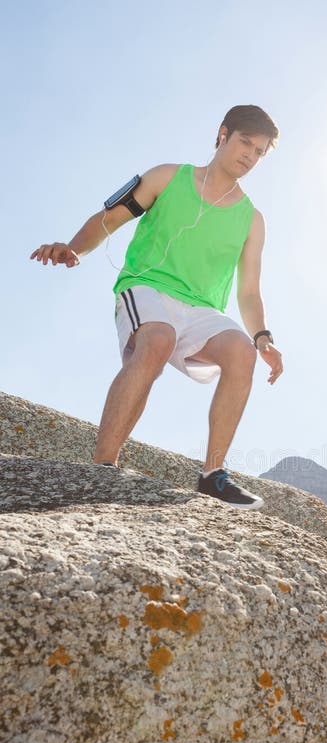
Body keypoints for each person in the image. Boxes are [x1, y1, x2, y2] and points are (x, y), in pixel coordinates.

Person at [30, 104, 283, 511]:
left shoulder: (252, 219)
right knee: (158, 339)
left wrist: (263, 338)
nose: (250, 156)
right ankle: (103, 467)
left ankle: (213, 476)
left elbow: (249, 292)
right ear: (223, 134)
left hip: (201, 309)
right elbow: (111, 217)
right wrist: (74, 248)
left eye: (259, 152)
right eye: (245, 143)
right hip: (146, 288)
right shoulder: (169, 176)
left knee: (241, 352)